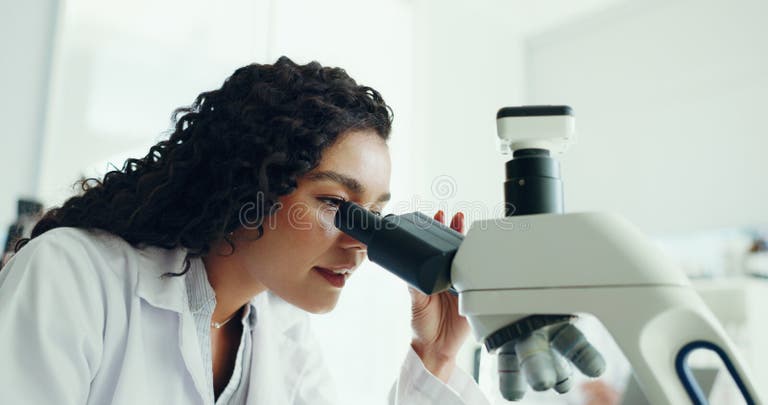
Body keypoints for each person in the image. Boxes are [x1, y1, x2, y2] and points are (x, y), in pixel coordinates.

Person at [0, 56, 488, 404]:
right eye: (337, 204)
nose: (361, 241)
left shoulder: (283, 333)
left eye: (375, 215)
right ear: (250, 187)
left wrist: (435, 356)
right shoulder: (72, 277)